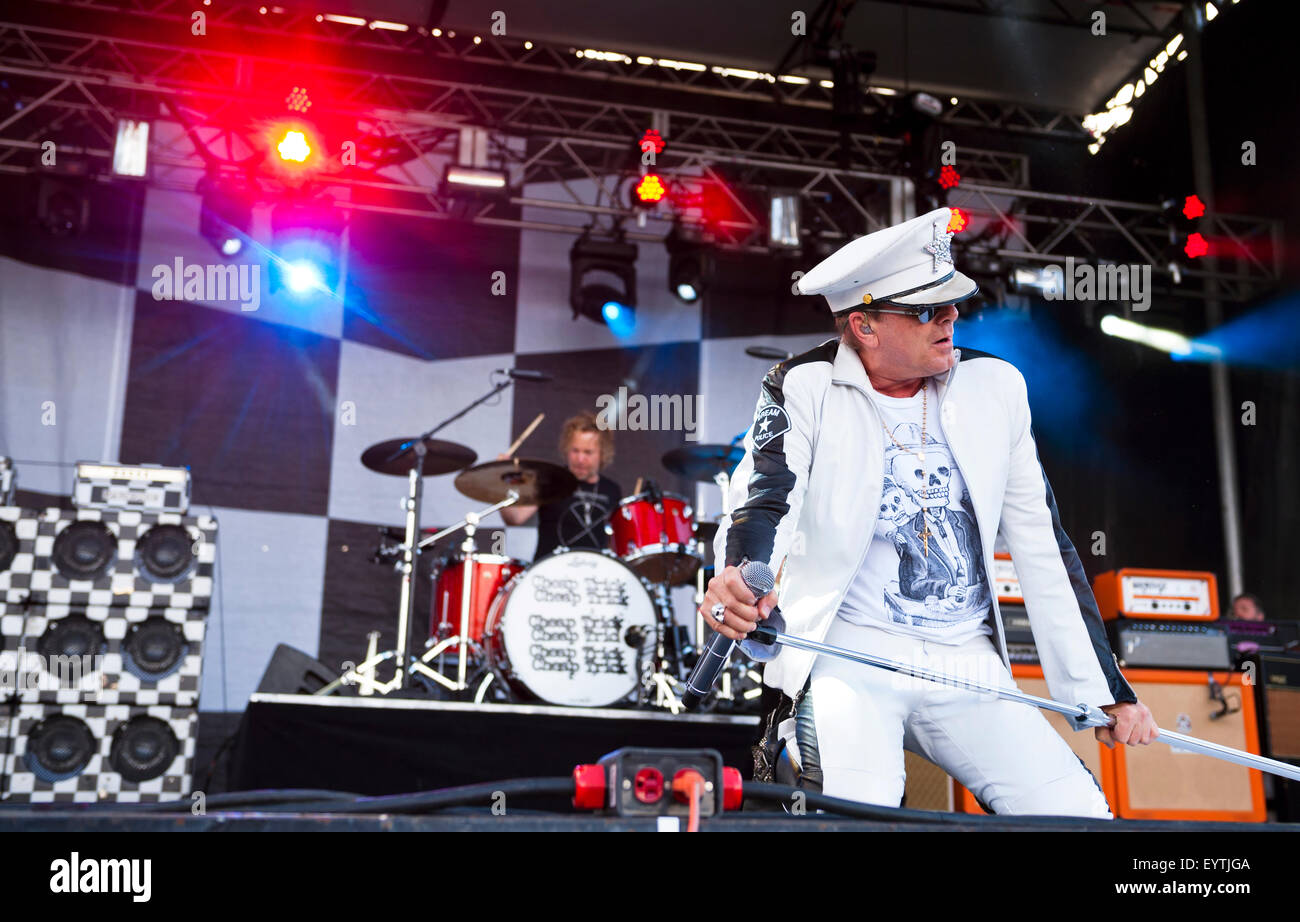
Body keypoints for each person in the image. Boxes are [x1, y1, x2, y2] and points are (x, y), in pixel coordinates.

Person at [703, 207, 1158, 817]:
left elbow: (1043, 544)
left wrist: (1104, 689)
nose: (949, 319)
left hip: (967, 661)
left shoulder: (996, 387)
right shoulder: (802, 384)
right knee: (858, 817)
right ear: (863, 325)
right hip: (849, 655)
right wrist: (741, 572)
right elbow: (766, 498)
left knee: (1074, 817)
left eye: (951, 304)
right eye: (925, 311)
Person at [499, 412, 622, 560]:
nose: (580, 459)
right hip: (550, 571)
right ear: (566, 449)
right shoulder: (551, 479)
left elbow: (615, 542)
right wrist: (502, 481)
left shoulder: (612, 490)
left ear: (602, 454)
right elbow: (514, 518)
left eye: (588, 452)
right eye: (575, 451)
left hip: (593, 574)